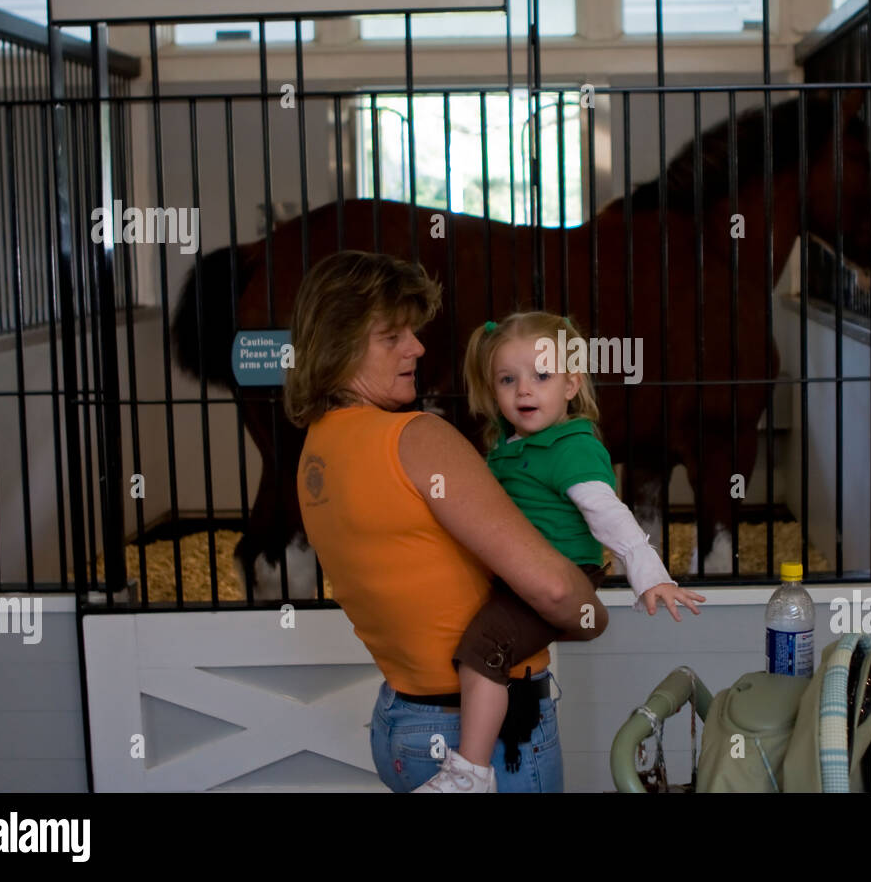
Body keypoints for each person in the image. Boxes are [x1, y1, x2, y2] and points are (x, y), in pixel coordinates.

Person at [284, 251, 608, 793]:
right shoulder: (416, 439)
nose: (417, 346)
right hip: (484, 740)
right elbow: (554, 589)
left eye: (412, 331)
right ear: (339, 346)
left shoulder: (315, 453)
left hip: (400, 724)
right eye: (392, 337)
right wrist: (594, 615)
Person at [411, 311, 706, 793]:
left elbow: (610, 514)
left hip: (563, 572)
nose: (524, 390)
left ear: (571, 385)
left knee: (482, 650)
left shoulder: (571, 446)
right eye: (508, 379)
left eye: (542, 376)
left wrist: (649, 573)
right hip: (518, 572)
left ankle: (469, 773)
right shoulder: (508, 447)